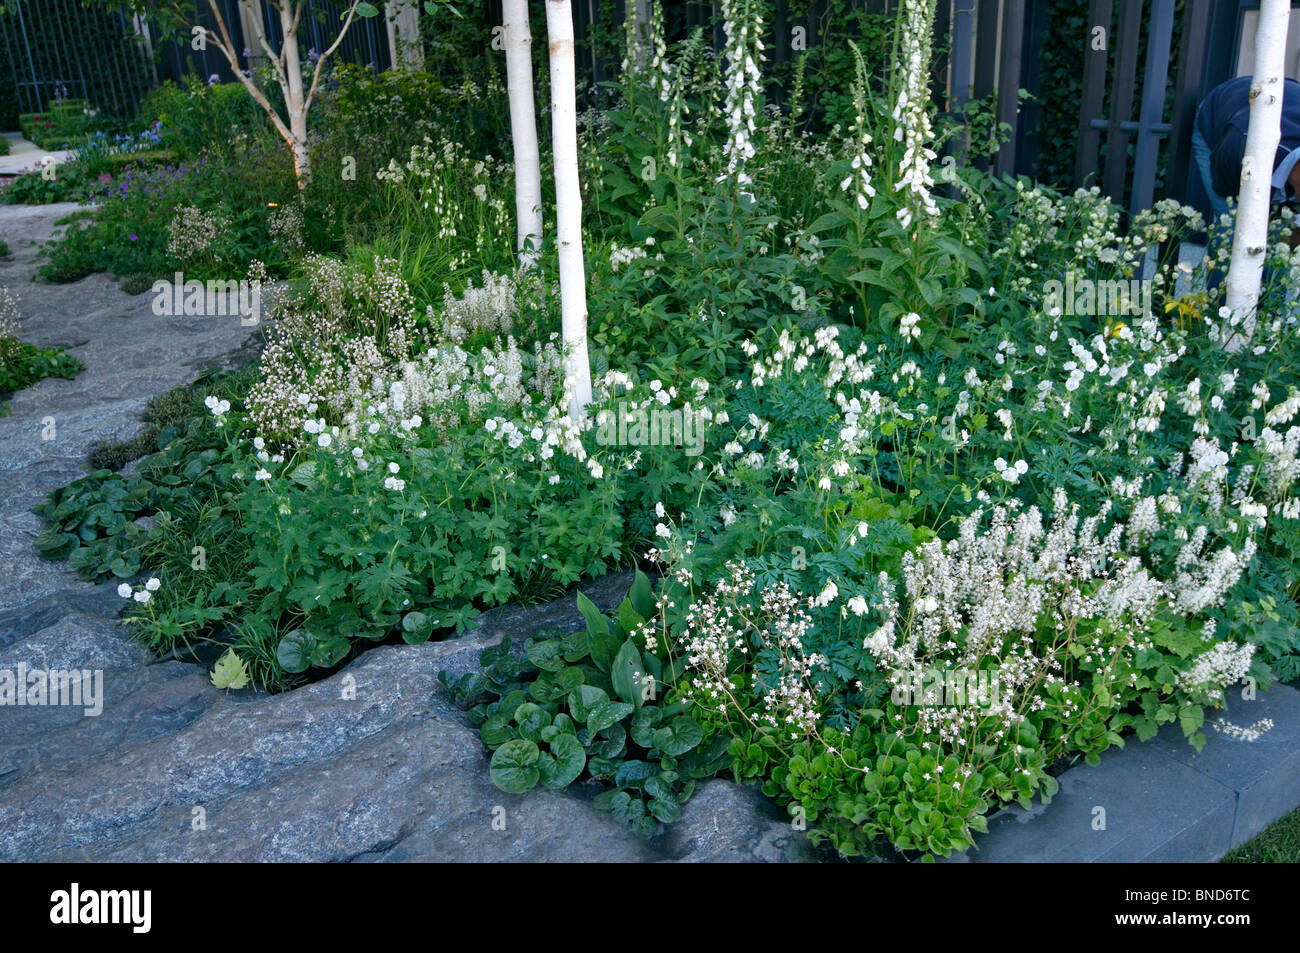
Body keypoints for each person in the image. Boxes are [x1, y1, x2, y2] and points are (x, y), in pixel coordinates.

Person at [1192, 75, 1300, 228]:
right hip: (1219, 113)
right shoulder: (1245, 149)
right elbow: (1224, 189)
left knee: (1280, 231)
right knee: (1236, 228)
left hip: (1283, 94)